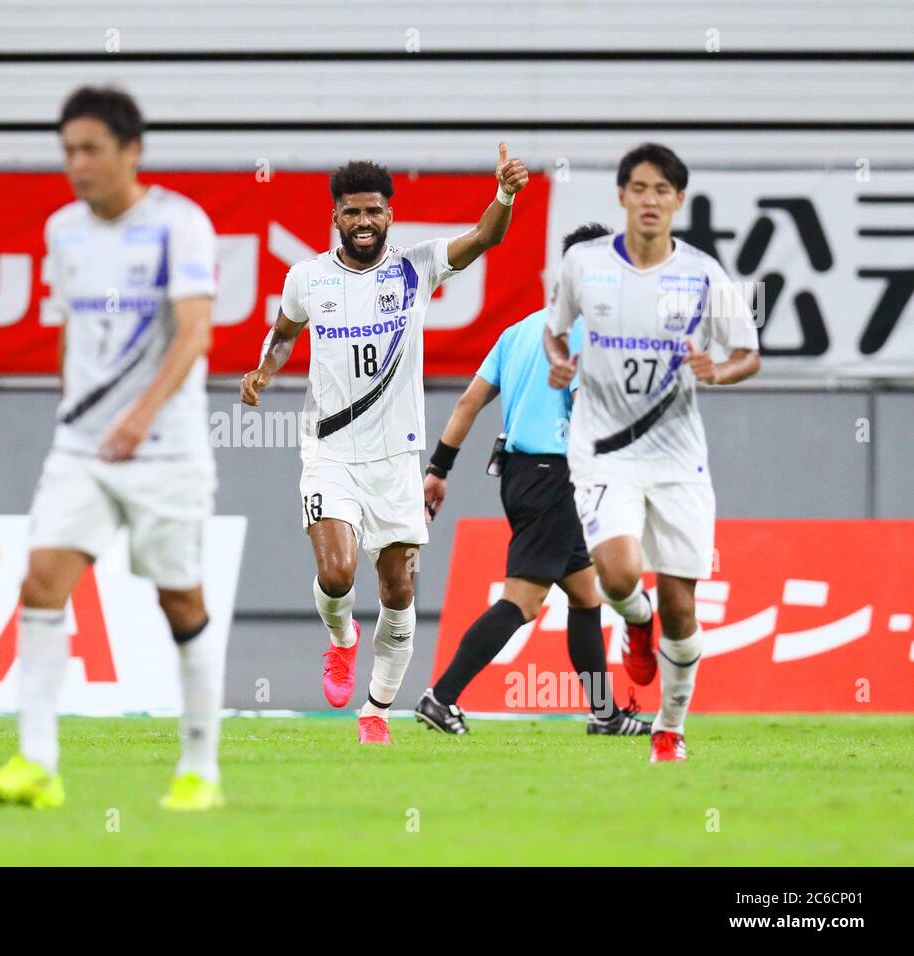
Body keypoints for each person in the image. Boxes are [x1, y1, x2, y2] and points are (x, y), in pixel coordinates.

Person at [0, 87, 224, 810]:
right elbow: (70, 330)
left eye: (90, 150)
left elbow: (197, 332)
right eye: (67, 151)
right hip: (81, 450)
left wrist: (141, 417)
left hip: (166, 451)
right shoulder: (62, 231)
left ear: (130, 151)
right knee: (40, 583)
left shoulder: (181, 225)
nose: (76, 165)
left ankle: (198, 771)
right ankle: (36, 764)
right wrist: (72, 411)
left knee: (181, 602)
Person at [241, 148, 529, 744]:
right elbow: (284, 332)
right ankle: (342, 641)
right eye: (352, 212)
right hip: (330, 454)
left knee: (399, 590)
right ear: (335, 216)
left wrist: (503, 195)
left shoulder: (415, 268)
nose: (364, 221)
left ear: (390, 214)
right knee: (339, 570)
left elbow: (483, 238)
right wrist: (264, 370)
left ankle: (375, 712)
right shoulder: (308, 277)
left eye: (374, 210)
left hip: (397, 460)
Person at [544, 143, 761, 762]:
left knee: (682, 605)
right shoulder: (586, 265)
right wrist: (561, 365)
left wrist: (717, 372)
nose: (650, 200)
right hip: (603, 450)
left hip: (678, 458)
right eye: (639, 188)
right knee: (615, 575)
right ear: (621, 196)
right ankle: (635, 623)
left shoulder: (701, 274)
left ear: (678, 201)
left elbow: (748, 351)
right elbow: (554, 332)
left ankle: (669, 726)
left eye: (662, 191)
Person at [413, 223, 651, 738]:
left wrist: (438, 470)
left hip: (521, 474)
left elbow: (468, 404)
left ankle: (605, 714)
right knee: (522, 600)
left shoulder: (518, 331)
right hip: (558, 476)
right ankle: (441, 697)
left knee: (586, 595)